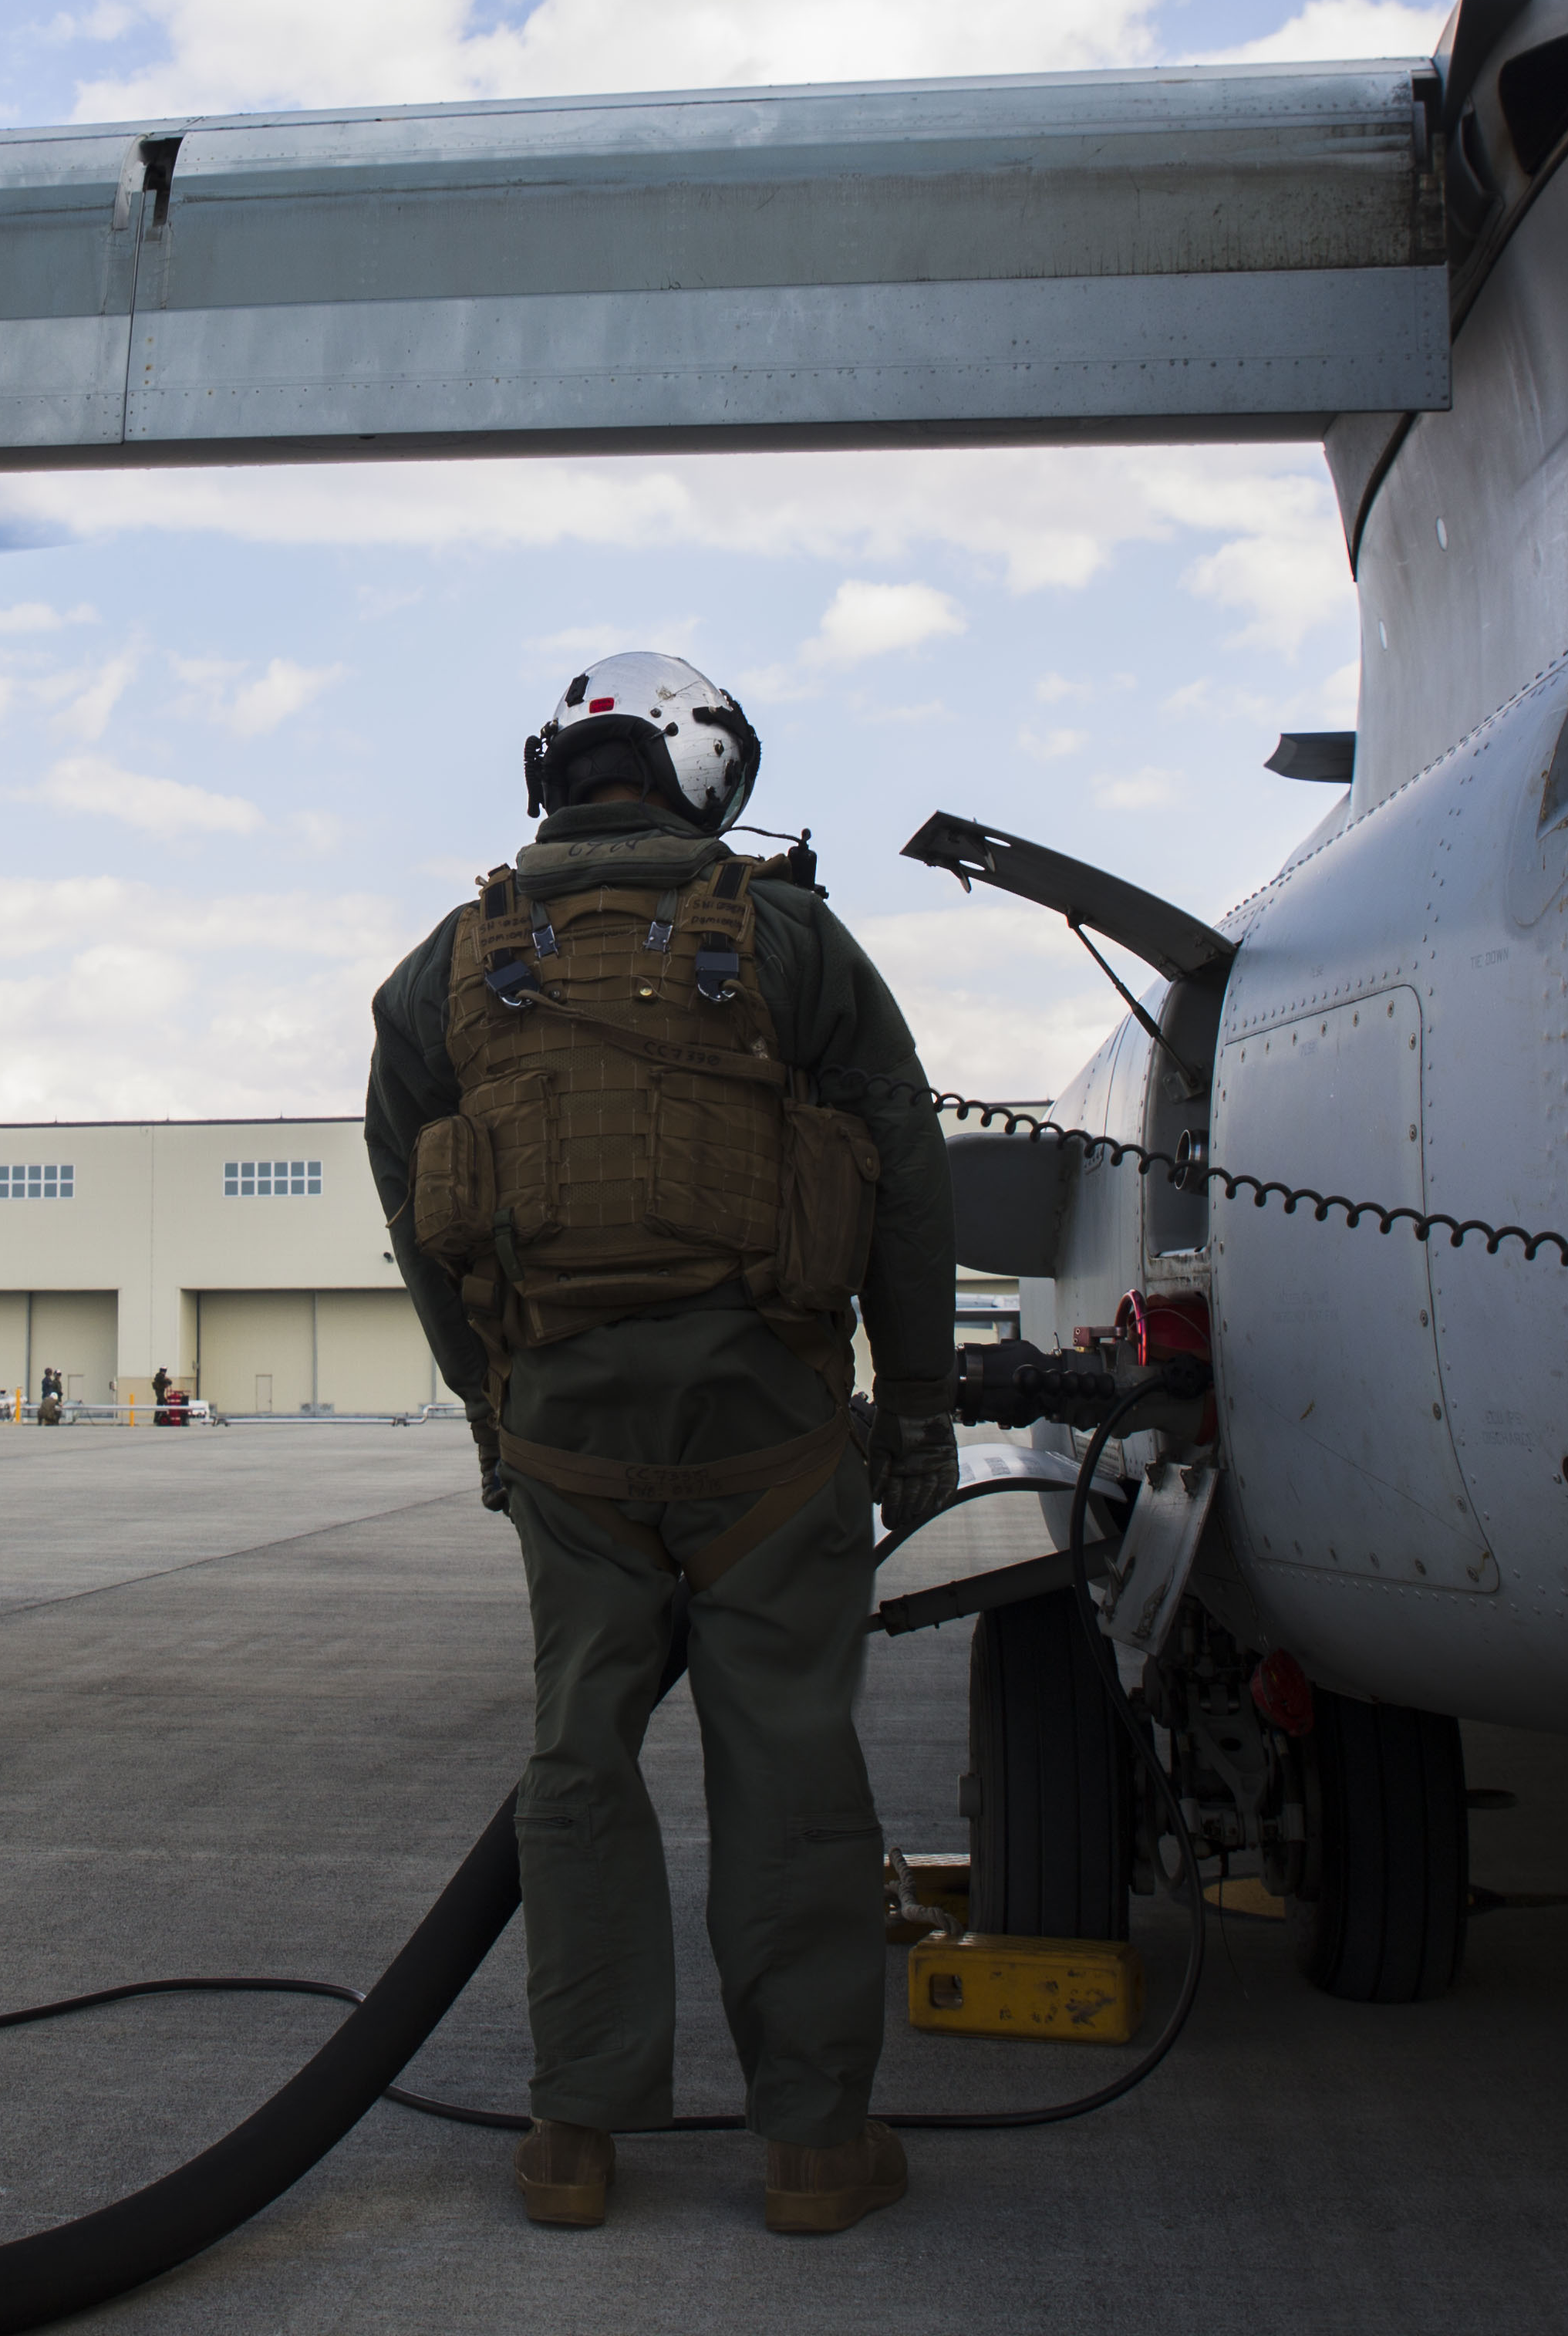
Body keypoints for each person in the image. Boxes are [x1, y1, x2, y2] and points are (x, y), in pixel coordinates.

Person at [362, 652, 955, 2240]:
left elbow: (415, 1212)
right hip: (769, 1443)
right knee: (793, 1770)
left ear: (556, 773)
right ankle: (815, 2147)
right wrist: (917, 1412)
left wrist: (493, 1416)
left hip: (567, 1448)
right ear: (704, 778)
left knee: (578, 1764)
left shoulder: (445, 968)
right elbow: (903, 1171)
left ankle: (575, 2139)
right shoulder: (794, 942)